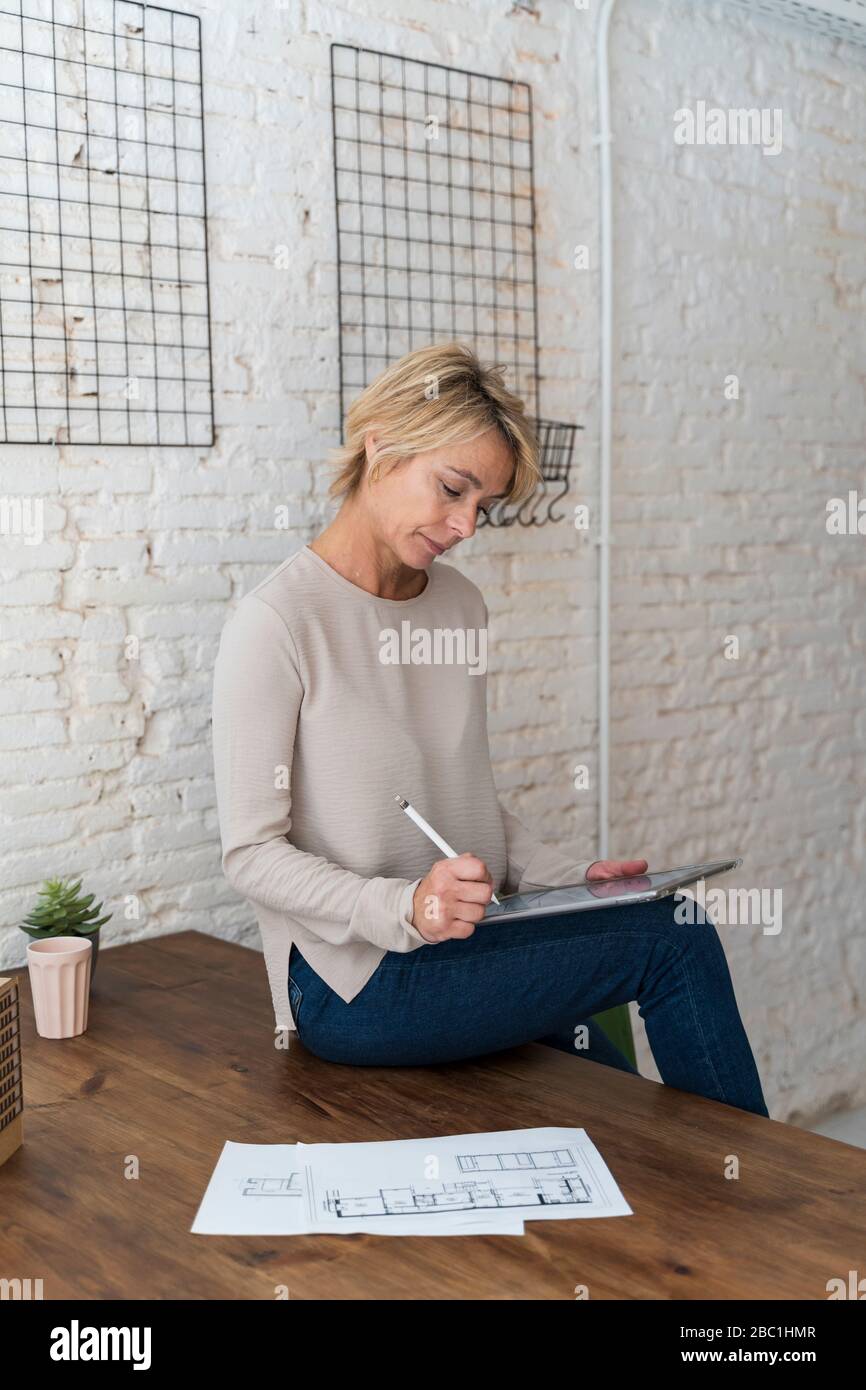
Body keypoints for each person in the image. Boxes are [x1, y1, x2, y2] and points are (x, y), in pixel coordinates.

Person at [211, 341, 769, 1117]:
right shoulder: (276, 626)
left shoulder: (460, 607)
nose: (467, 524)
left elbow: (464, 811)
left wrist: (576, 878)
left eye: (484, 506)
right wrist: (407, 907)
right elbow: (250, 855)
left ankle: (710, 1202)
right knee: (672, 935)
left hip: (464, 947)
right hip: (356, 979)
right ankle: (759, 1200)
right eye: (452, 488)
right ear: (380, 448)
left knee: (613, 1095)